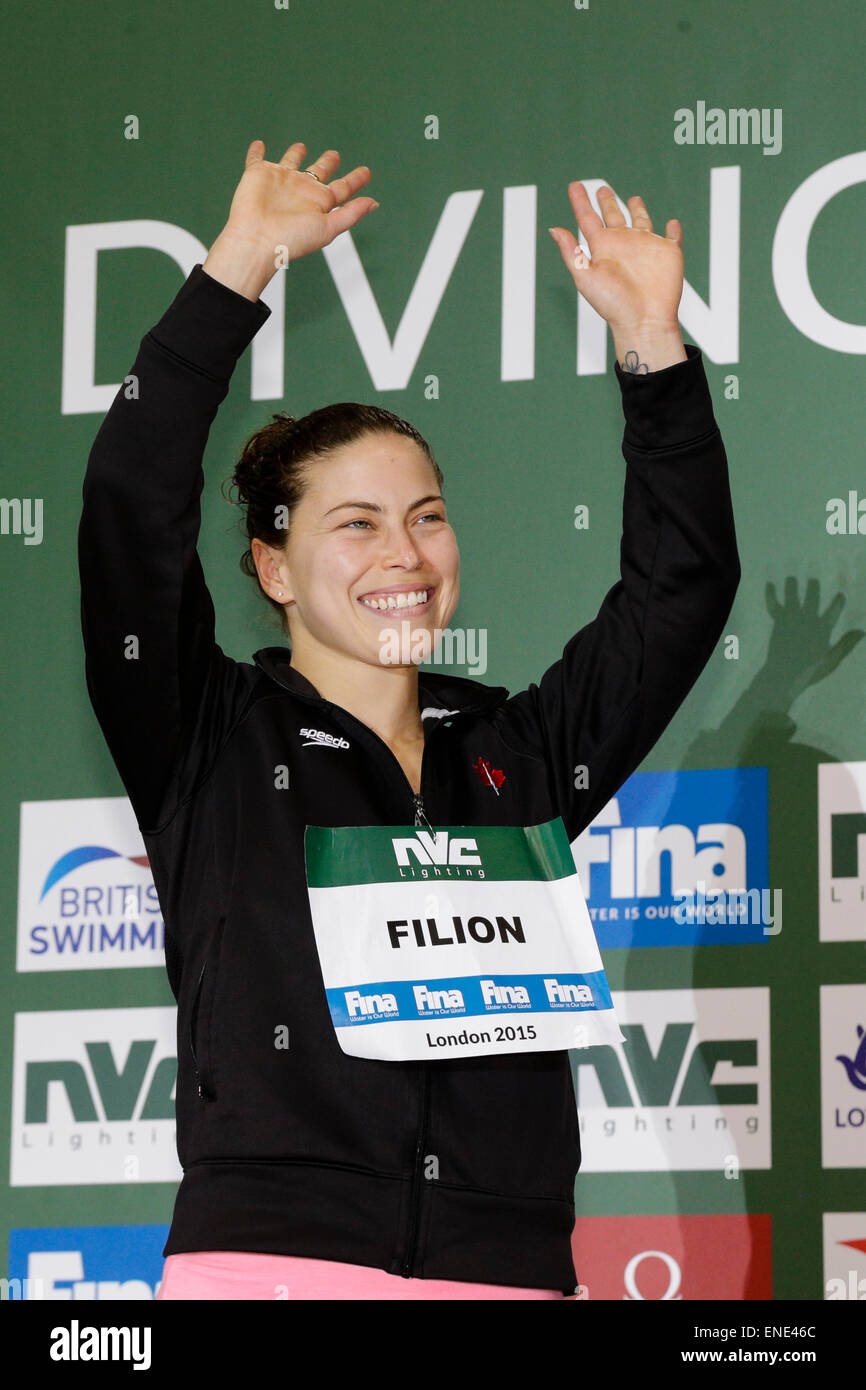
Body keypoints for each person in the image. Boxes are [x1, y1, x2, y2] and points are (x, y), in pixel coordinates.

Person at [78, 138, 740, 1300]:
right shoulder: (205, 735)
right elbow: (131, 506)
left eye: (426, 518)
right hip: (274, 1265)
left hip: (512, 1269)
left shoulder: (517, 755)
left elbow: (679, 590)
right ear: (272, 569)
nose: (404, 555)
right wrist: (238, 264)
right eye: (356, 524)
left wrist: (651, 346)